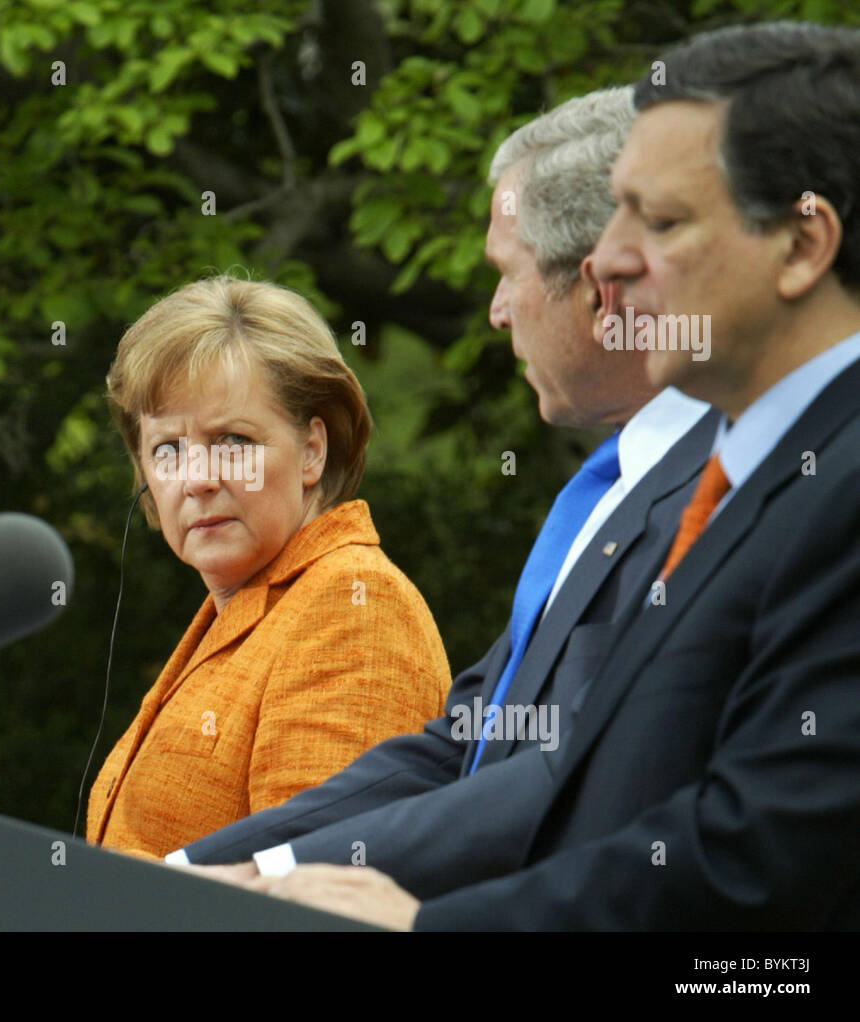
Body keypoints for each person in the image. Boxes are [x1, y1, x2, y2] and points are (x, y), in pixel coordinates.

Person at [224, 19, 860, 930]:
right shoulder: (749, 478)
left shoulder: (834, 485)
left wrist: (422, 926)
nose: (609, 259)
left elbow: (757, 860)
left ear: (802, 246)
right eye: (619, 212)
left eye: (663, 219)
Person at [166, 87, 716, 903]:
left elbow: (585, 772)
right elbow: (466, 742)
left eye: (506, 274)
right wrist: (203, 869)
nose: (495, 312)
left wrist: (280, 881)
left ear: (602, 286)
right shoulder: (617, 484)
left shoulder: (726, 488)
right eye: (166, 448)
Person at [86, 275, 452, 857]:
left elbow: (313, 891)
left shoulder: (354, 606)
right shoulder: (241, 607)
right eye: (167, 449)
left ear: (312, 450)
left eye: (232, 439)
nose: (197, 478)